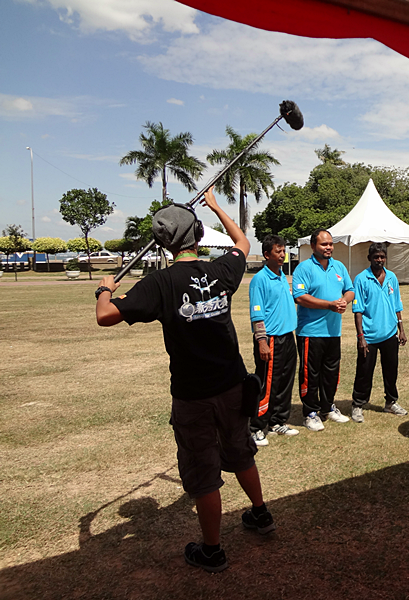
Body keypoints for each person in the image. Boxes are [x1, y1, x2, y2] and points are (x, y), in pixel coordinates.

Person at [95, 190, 275, 573]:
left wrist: (105, 287)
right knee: (239, 451)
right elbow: (242, 241)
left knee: (203, 470)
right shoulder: (222, 269)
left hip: (193, 396)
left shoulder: (159, 283)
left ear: (164, 242)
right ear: (197, 235)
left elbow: (105, 315)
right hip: (232, 385)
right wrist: (215, 207)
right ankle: (259, 514)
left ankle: (213, 550)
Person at [292, 229, 354, 431]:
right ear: (313, 246)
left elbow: (350, 290)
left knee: (331, 373)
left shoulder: (339, 266)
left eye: (330, 244)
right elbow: (300, 297)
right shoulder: (304, 268)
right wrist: (329, 305)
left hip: (333, 331)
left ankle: (328, 407)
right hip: (310, 331)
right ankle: (310, 412)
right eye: (323, 244)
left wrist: (344, 302)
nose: (328, 247)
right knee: (311, 374)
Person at [249, 234, 299, 444]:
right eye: (278, 251)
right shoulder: (260, 279)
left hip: (288, 337)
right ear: (267, 254)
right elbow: (257, 314)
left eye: (283, 251)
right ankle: (257, 427)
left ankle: (278, 420)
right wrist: (262, 341)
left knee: (285, 381)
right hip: (270, 339)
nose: (282, 255)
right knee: (267, 384)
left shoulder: (281, 276)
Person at [350, 243, 409, 423]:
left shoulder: (391, 277)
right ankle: (358, 404)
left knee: (391, 371)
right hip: (369, 336)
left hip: (390, 334)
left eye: (382, 257)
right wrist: (361, 337)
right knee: (364, 372)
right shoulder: (361, 279)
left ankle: (391, 402)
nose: (379, 260)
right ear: (369, 258)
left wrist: (402, 329)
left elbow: (397, 305)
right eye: (376, 257)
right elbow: (357, 310)